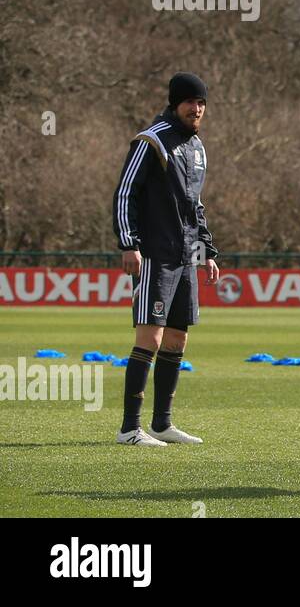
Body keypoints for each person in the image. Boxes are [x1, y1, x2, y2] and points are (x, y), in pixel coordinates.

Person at [111, 72, 220, 447]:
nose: (197, 107)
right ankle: (129, 429)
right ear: (175, 103)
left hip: (187, 257)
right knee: (151, 338)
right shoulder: (151, 140)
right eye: (190, 101)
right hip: (155, 255)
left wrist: (205, 249)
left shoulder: (197, 148)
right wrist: (129, 244)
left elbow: (195, 206)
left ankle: (161, 424)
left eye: (202, 102)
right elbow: (126, 192)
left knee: (177, 340)